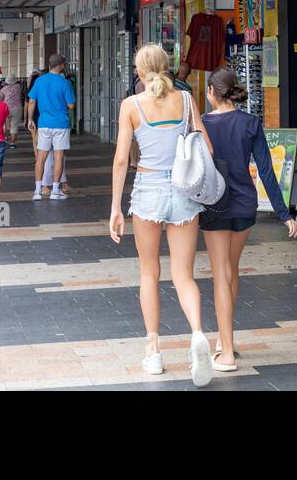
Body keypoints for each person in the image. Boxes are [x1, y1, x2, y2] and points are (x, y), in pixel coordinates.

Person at [109, 43, 215, 385]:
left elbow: (123, 159)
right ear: (167, 67)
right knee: (184, 275)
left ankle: (153, 352)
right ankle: (198, 333)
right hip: (183, 191)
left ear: (139, 72)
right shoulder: (185, 100)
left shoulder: (131, 105)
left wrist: (115, 208)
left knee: (148, 273)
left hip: (148, 190)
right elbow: (207, 148)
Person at [201, 66, 297, 372]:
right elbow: (267, 171)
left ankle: (226, 351)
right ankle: (223, 339)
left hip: (214, 204)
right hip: (244, 204)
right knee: (231, 268)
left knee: (221, 274)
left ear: (212, 93)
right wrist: (284, 214)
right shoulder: (250, 123)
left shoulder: (201, 124)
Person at [28, 56, 75, 201]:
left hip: (43, 124)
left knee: (41, 157)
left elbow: (31, 101)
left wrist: (30, 119)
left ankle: (38, 191)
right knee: (58, 157)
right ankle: (55, 191)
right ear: (61, 66)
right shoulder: (65, 82)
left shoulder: (40, 81)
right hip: (61, 124)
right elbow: (71, 105)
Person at [0, 76, 22, 147]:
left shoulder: (3, 89)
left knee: (6, 125)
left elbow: (0, 99)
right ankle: (13, 143)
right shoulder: (18, 87)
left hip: (6, 108)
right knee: (14, 126)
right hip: (17, 108)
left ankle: (5, 139)